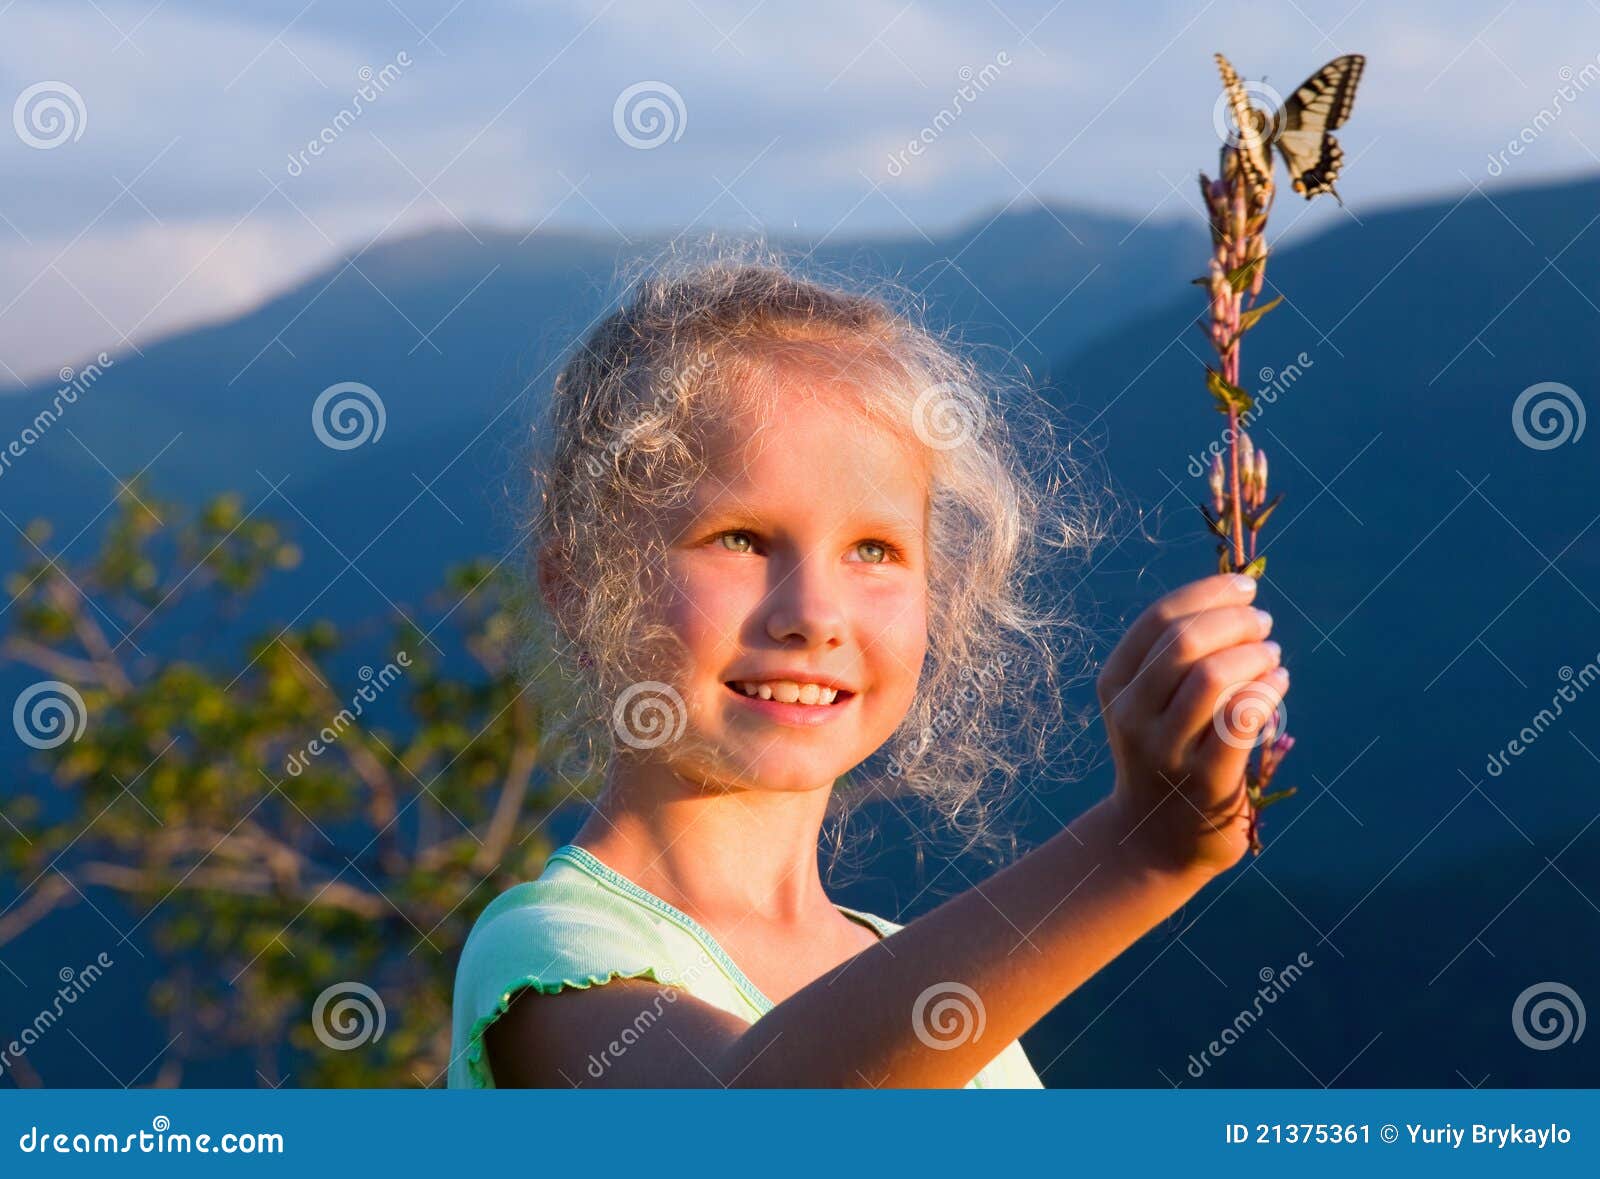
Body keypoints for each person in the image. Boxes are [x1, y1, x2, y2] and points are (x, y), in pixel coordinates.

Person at [447, 246, 1287, 1088]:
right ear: (580, 584)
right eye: (738, 538)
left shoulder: (938, 996)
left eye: (874, 550)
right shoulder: (550, 954)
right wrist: (1132, 853)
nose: (812, 614)